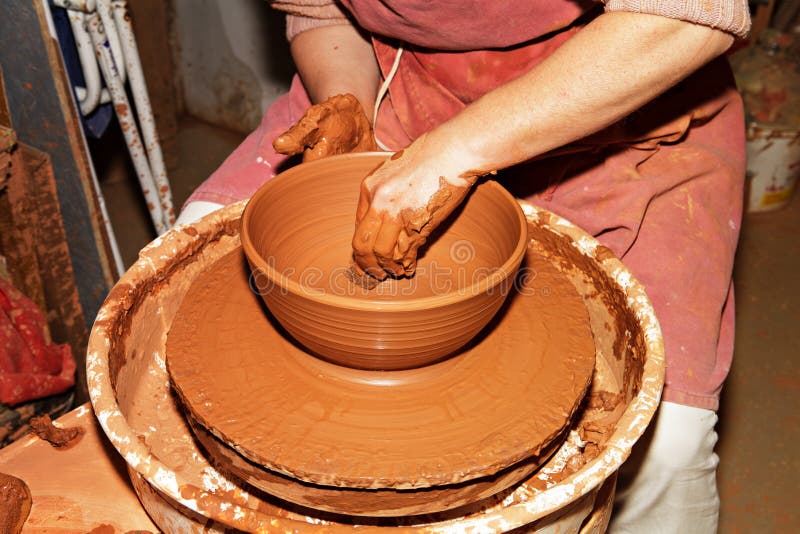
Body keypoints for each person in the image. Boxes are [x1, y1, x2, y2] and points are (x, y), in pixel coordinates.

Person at [178, 1, 751, 531]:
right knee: (187, 263)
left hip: (624, 94)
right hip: (401, 86)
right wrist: (347, 95)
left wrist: (456, 154)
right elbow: (320, 8)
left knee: (666, 443)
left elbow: (687, 15)